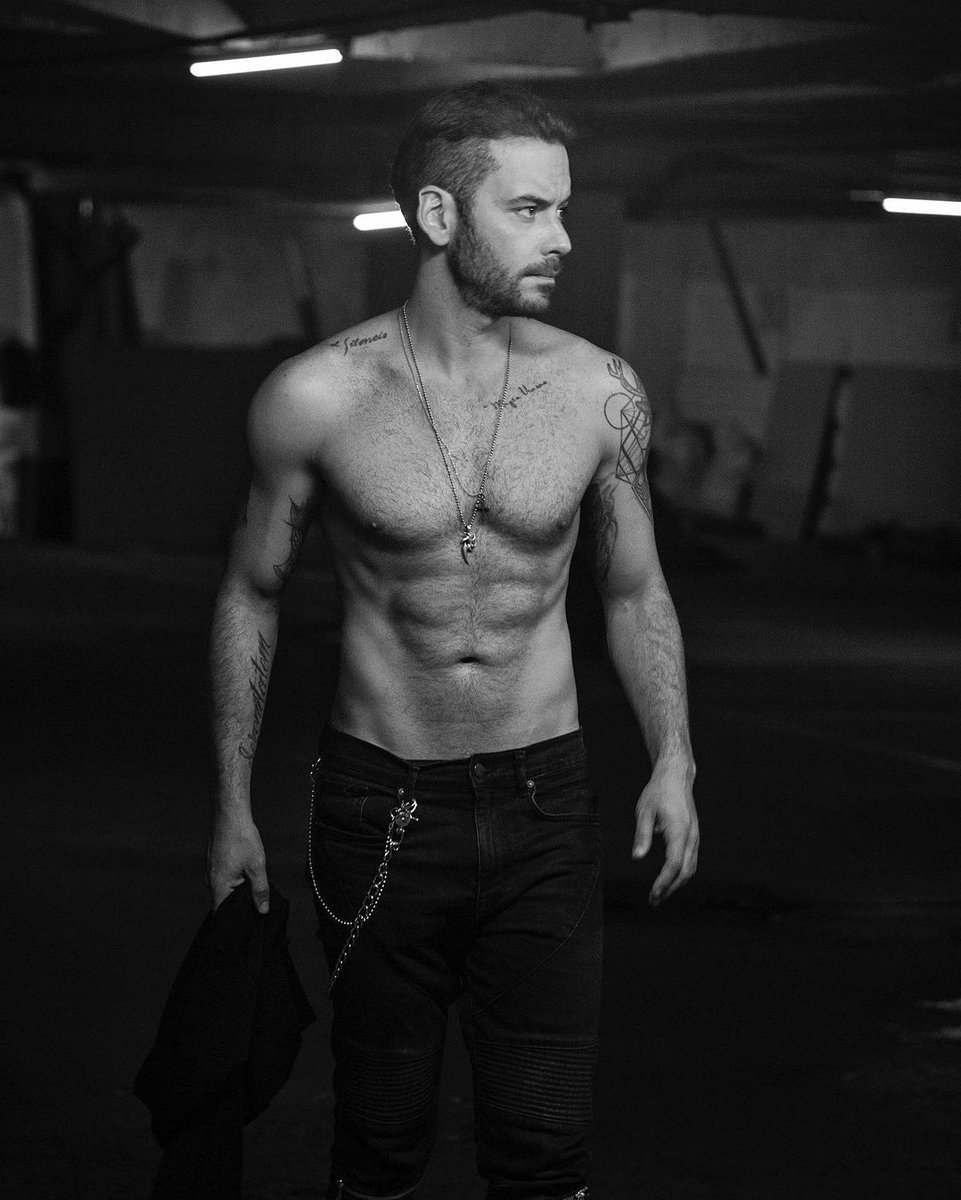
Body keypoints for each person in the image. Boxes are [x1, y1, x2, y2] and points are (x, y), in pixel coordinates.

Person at [206, 80, 698, 1200]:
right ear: (437, 215)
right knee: (380, 1138)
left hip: (545, 804)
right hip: (379, 804)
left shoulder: (599, 391)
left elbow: (634, 590)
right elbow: (250, 593)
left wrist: (675, 756)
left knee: (543, 1145)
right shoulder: (316, 396)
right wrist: (231, 804)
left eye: (561, 209)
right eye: (527, 210)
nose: (561, 238)